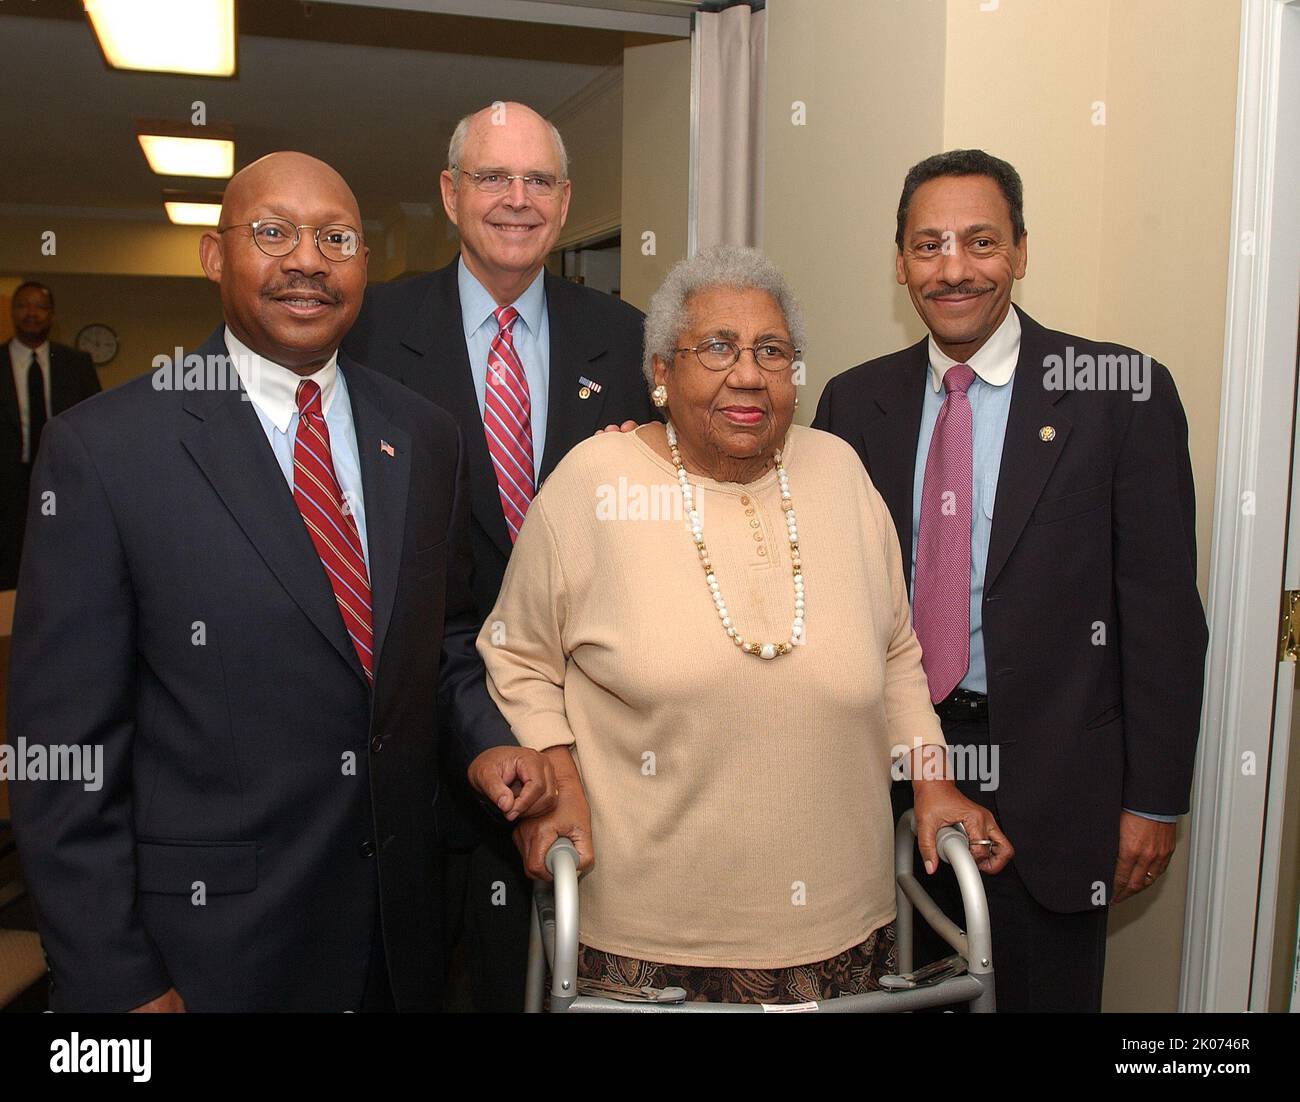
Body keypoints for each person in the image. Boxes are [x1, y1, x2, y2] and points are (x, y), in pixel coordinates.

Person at [7, 152, 556, 1013]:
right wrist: (115, 977)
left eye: (336, 238)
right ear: (214, 255)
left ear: (364, 265)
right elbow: (63, 755)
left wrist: (487, 739)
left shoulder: (425, 436)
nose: (308, 260)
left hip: (397, 946)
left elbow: (445, 638)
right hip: (206, 958)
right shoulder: (105, 452)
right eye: (273, 233)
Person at [480, 245, 1012, 1004]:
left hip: (841, 921)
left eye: (773, 351)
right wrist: (558, 777)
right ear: (662, 372)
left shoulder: (838, 470)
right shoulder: (594, 484)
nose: (749, 375)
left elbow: (896, 651)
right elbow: (517, 654)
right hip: (650, 930)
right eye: (717, 348)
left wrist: (933, 784)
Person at [813, 149, 1208, 1012]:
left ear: (1022, 251)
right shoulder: (851, 404)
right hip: (879, 777)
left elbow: (1164, 616)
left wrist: (1153, 799)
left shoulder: (1118, 393)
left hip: (1057, 792)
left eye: (981, 241)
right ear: (900, 261)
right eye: (928, 246)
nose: (954, 269)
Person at [343, 102, 654, 1011]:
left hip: (587, 735)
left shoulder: (630, 339)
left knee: (573, 981)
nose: (516, 200)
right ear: (449, 193)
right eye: (492, 177)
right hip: (415, 729)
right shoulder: (365, 333)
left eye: (539, 182)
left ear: (564, 203)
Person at [0, 281, 100, 589]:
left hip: (65, 483)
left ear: (52, 315)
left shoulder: (76, 364)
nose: (31, 313)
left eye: (40, 306)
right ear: (13, 312)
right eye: (23, 305)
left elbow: (94, 425)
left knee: (59, 572)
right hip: (6, 489)